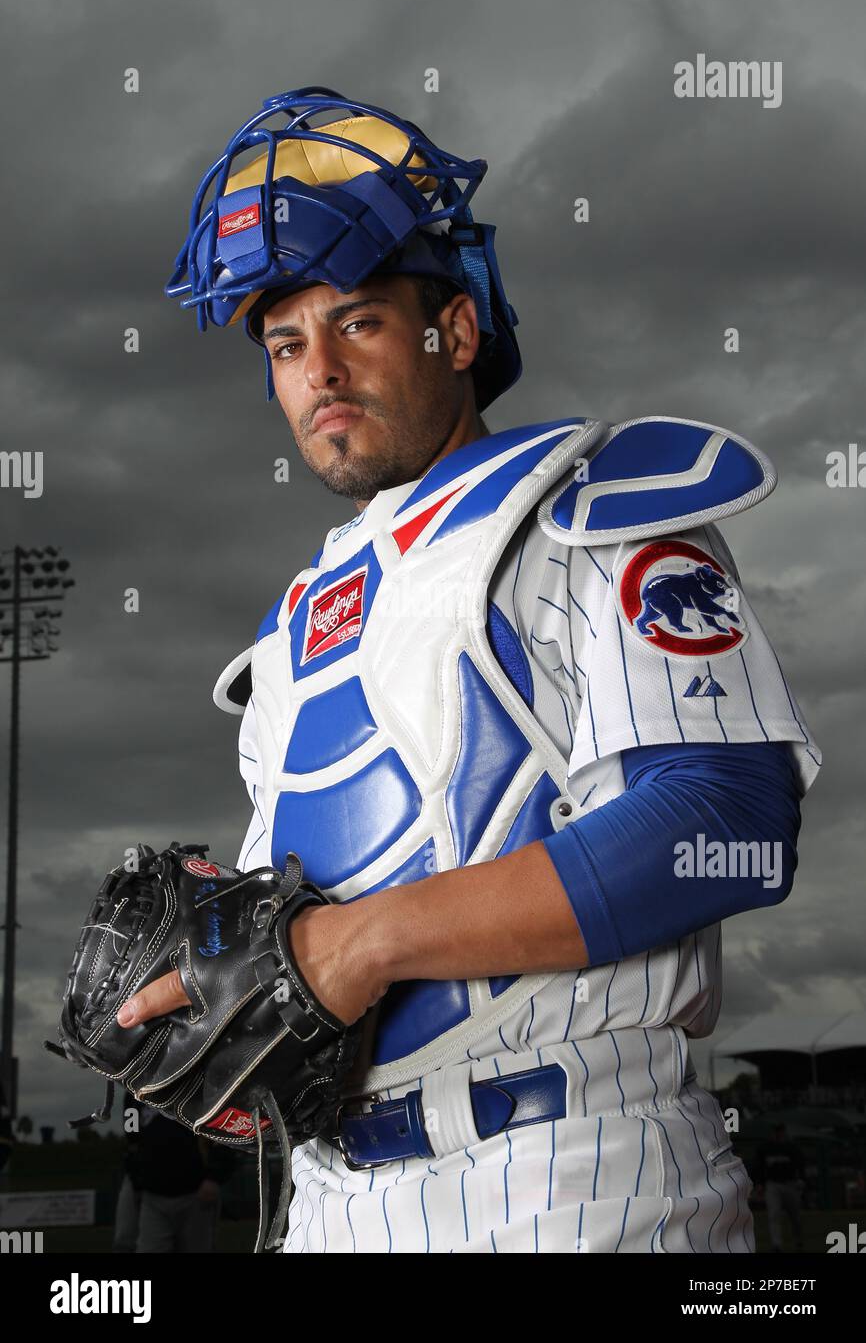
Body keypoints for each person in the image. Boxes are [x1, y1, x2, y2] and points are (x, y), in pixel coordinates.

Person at [118, 88, 820, 1253]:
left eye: (356, 325)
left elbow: (725, 817)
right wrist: (215, 1020)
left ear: (452, 330)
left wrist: (363, 942)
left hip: (577, 1175)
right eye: (286, 347)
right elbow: (296, 972)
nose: (317, 373)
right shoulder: (290, 633)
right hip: (333, 1199)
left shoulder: (591, 511)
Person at [113, 1091, 236, 1253]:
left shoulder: (198, 1085)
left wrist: (214, 1176)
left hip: (194, 1190)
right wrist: (137, 1177)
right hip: (154, 1193)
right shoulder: (133, 1093)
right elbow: (133, 1138)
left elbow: (223, 1135)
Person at [754, 1122, 806, 1252]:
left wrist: (802, 1180)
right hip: (773, 1184)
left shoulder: (792, 1147)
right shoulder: (765, 1148)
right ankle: (776, 1244)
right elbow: (759, 1167)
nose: (778, 1134)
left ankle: (798, 1240)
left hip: (790, 1184)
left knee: (795, 1216)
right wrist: (760, 1183)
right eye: (776, 1131)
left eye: (780, 1131)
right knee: (774, 1214)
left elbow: (801, 1165)